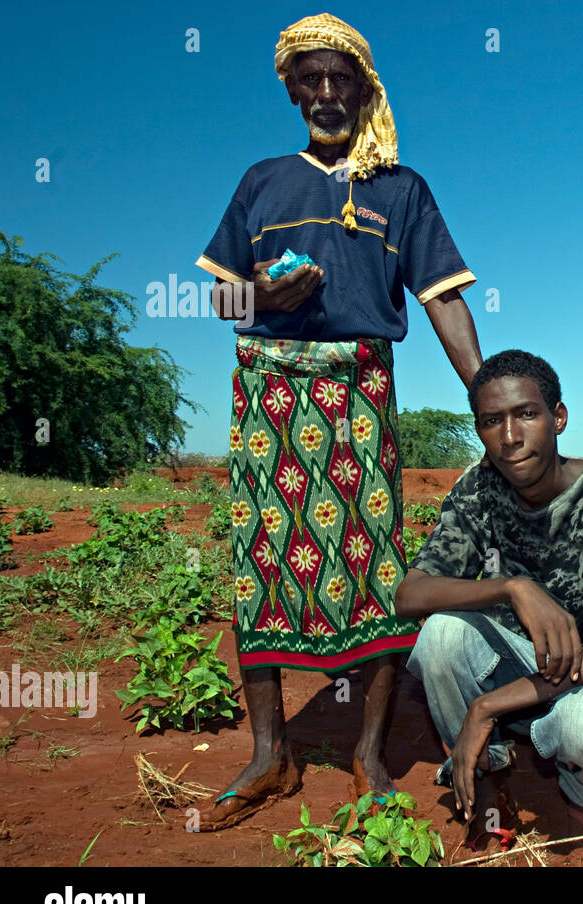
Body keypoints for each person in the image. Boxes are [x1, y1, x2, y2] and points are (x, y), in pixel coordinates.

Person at [192, 13, 483, 830]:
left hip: (358, 394)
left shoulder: (401, 187)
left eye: (340, 79)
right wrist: (262, 297)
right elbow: (220, 299)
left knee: (377, 571)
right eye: (310, 79)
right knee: (264, 562)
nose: (326, 93)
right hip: (269, 398)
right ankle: (269, 755)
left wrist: (485, 395)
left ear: (363, 89)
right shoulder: (260, 181)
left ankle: (367, 756)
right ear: (291, 89)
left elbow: (444, 299)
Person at [394, 350, 583, 837]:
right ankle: (488, 779)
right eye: (491, 421)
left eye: (526, 414)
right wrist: (512, 587)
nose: (510, 437)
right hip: (521, 663)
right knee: (440, 634)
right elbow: (410, 594)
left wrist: (487, 706)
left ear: (558, 417)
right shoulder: (478, 489)